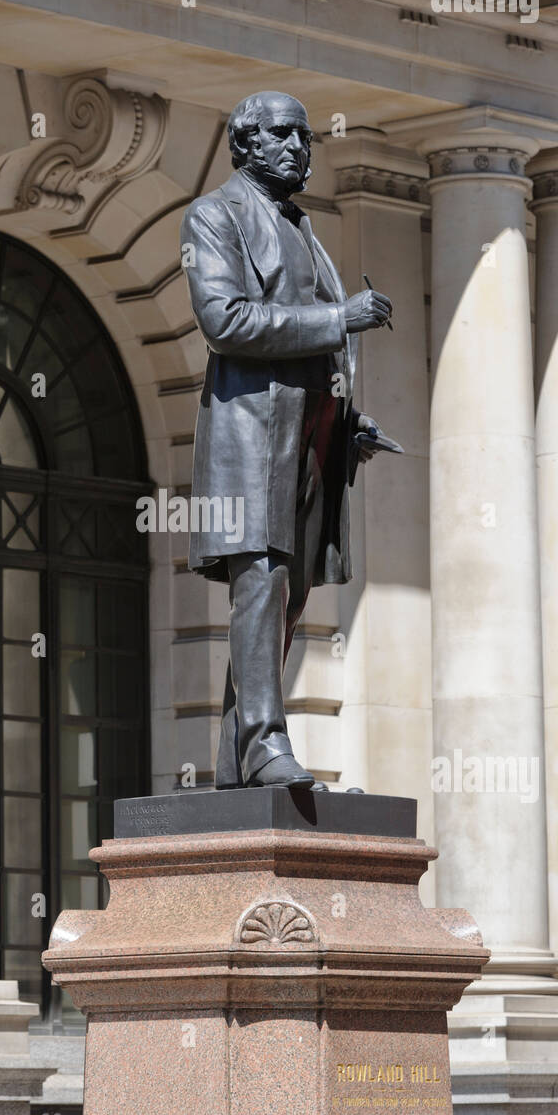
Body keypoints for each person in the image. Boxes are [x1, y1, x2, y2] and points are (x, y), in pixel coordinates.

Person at [180, 91, 395, 791]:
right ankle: (265, 745)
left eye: (304, 134)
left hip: (307, 440)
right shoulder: (214, 215)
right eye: (280, 134)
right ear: (243, 145)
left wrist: (346, 420)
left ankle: (236, 763)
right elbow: (227, 322)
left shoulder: (300, 226)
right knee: (261, 584)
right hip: (250, 437)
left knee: (288, 597)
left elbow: (310, 354)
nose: (299, 146)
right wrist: (341, 316)